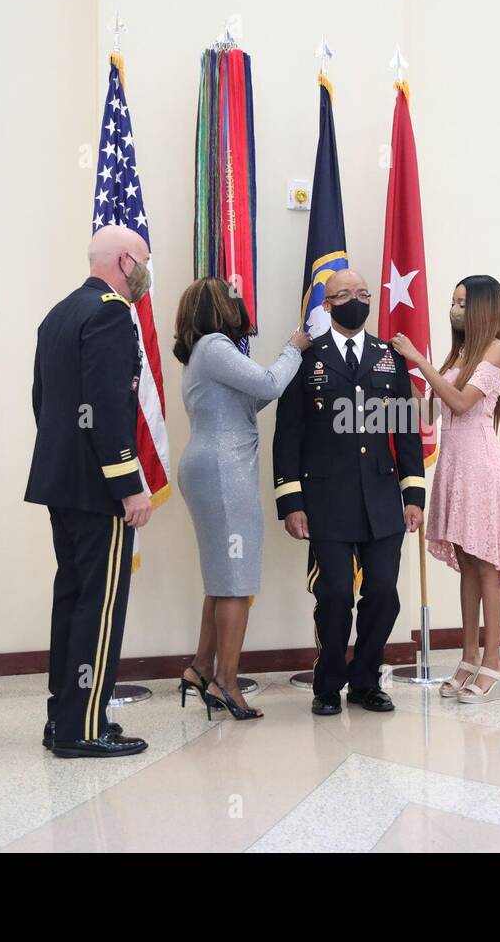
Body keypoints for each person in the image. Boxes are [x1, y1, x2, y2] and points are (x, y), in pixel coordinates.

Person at [26, 225, 154, 758]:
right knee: (100, 607)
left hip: (64, 481)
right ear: (126, 261)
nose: (148, 270)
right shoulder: (109, 312)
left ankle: (67, 717)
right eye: (145, 260)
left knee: (73, 599)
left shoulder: (59, 313)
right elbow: (106, 408)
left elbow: (42, 402)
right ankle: (83, 729)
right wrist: (128, 484)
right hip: (100, 488)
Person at [273, 269, 426, 716]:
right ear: (327, 305)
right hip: (327, 500)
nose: (356, 300)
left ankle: (365, 681)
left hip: (381, 499)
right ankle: (328, 684)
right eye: (344, 295)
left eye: (362, 293)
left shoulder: (388, 356)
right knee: (335, 594)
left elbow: (406, 431)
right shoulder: (308, 357)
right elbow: (288, 436)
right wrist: (291, 502)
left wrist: (412, 493)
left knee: (383, 593)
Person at [173, 277, 311, 720]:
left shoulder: (201, 352)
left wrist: (279, 375)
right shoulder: (215, 345)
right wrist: (294, 348)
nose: (242, 308)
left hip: (210, 466)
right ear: (220, 309)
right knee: (236, 580)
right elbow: (269, 384)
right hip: (223, 470)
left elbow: (249, 403)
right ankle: (227, 682)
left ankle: (200, 667)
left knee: (222, 576)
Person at [390, 275, 500, 703]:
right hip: (454, 462)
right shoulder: (459, 353)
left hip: (479, 464)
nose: (454, 310)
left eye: (462, 303)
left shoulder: (495, 350)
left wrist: (420, 361)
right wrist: (409, 376)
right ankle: (468, 657)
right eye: (452, 302)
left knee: (486, 563)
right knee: (466, 560)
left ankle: (494, 661)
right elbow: (434, 408)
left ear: (483, 307)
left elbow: (463, 404)